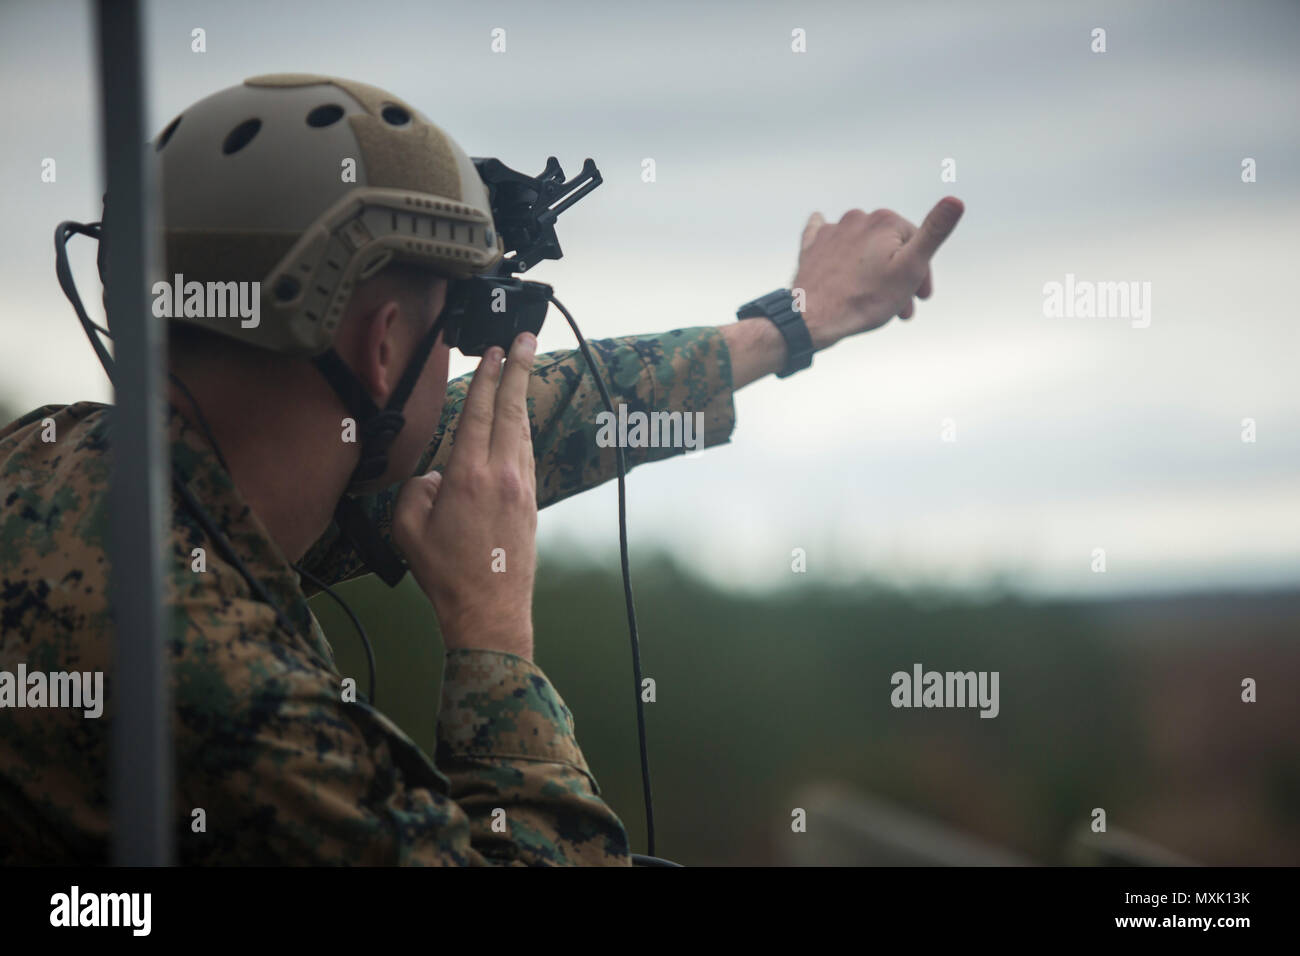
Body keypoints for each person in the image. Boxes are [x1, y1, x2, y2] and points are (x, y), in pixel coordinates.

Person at [0, 74, 963, 865]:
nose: (466, 370)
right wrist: (490, 630)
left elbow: (489, 427)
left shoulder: (56, 471)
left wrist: (786, 327)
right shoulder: (230, 695)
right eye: (456, 333)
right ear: (383, 350)